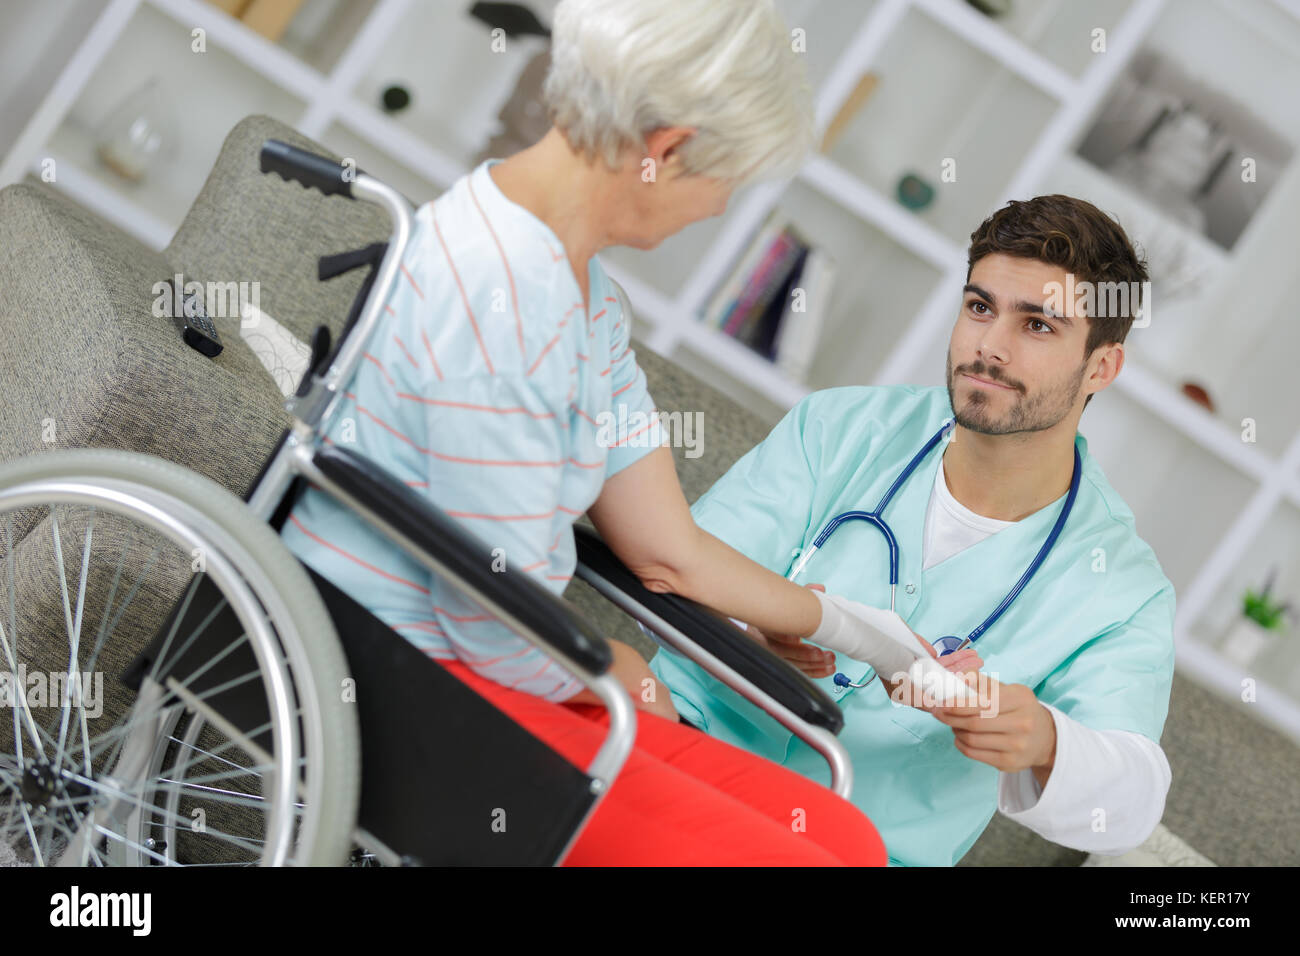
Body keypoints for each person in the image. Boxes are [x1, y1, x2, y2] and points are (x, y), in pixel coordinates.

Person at [280, 0, 929, 866]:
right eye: (725, 178)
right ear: (664, 150)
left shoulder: (585, 304)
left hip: (498, 670)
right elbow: (487, 619)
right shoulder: (500, 296)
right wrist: (619, 669)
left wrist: (869, 637)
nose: (719, 207)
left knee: (846, 837)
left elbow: (668, 550)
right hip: (398, 674)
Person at [649, 194, 1177, 867]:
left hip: (848, 850)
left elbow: (1131, 801)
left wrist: (1043, 739)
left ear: (1101, 367)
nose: (989, 345)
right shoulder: (842, 428)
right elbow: (675, 571)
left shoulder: (1121, 588)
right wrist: (753, 634)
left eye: (1038, 325)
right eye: (979, 307)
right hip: (681, 746)